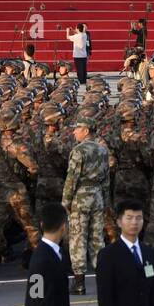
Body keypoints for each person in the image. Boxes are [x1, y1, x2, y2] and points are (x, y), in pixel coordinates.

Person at [63, 116, 112, 295]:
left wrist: (65, 201)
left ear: (86, 130)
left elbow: (72, 178)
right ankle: (104, 280)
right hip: (97, 196)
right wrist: (106, 200)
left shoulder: (78, 150)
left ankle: (79, 283)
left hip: (80, 197)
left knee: (77, 239)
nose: (74, 132)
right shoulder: (102, 149)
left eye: (77, 129)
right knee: (97, 238)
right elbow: (106, 178)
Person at [95, 200, 154, 306]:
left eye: (139, 218)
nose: (134, 222)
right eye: (129, 218)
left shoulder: (149, 253)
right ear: (119, 222)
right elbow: (105, 300)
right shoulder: (108, 255)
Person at [23, 203, 72, 306]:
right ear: (64, 227)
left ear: (41, 225)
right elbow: (36, 301)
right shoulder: (42, 259)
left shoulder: (54, 253)